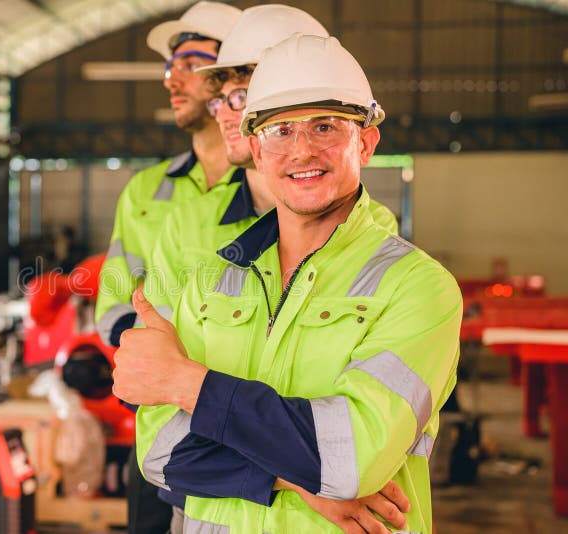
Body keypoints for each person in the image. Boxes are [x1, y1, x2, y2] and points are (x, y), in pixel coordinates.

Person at [114, 34, 462, 534]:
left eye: (325, 126)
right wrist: (291, 478)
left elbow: (350, 460)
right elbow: (160, 455)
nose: (301, 150)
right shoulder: (213, 280)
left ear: (365, 141)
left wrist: (185, 382)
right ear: (255, 149)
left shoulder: (418, 287)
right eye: (279, 131)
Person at [148, 4, 398, 320]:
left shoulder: (374, 229)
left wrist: (192, 373)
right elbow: (155, 351)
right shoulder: (186, 223)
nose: (225, 116)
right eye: (221, 100)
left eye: (242, 96)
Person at [94, 3, 241, 532]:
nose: (172, 77)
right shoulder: (146, 190)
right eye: (169, 65)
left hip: (239, 420)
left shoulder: (274, 191)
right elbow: (114, 298)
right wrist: (158, 364)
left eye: (192, 61)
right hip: (156, 426)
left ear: (237, 76)